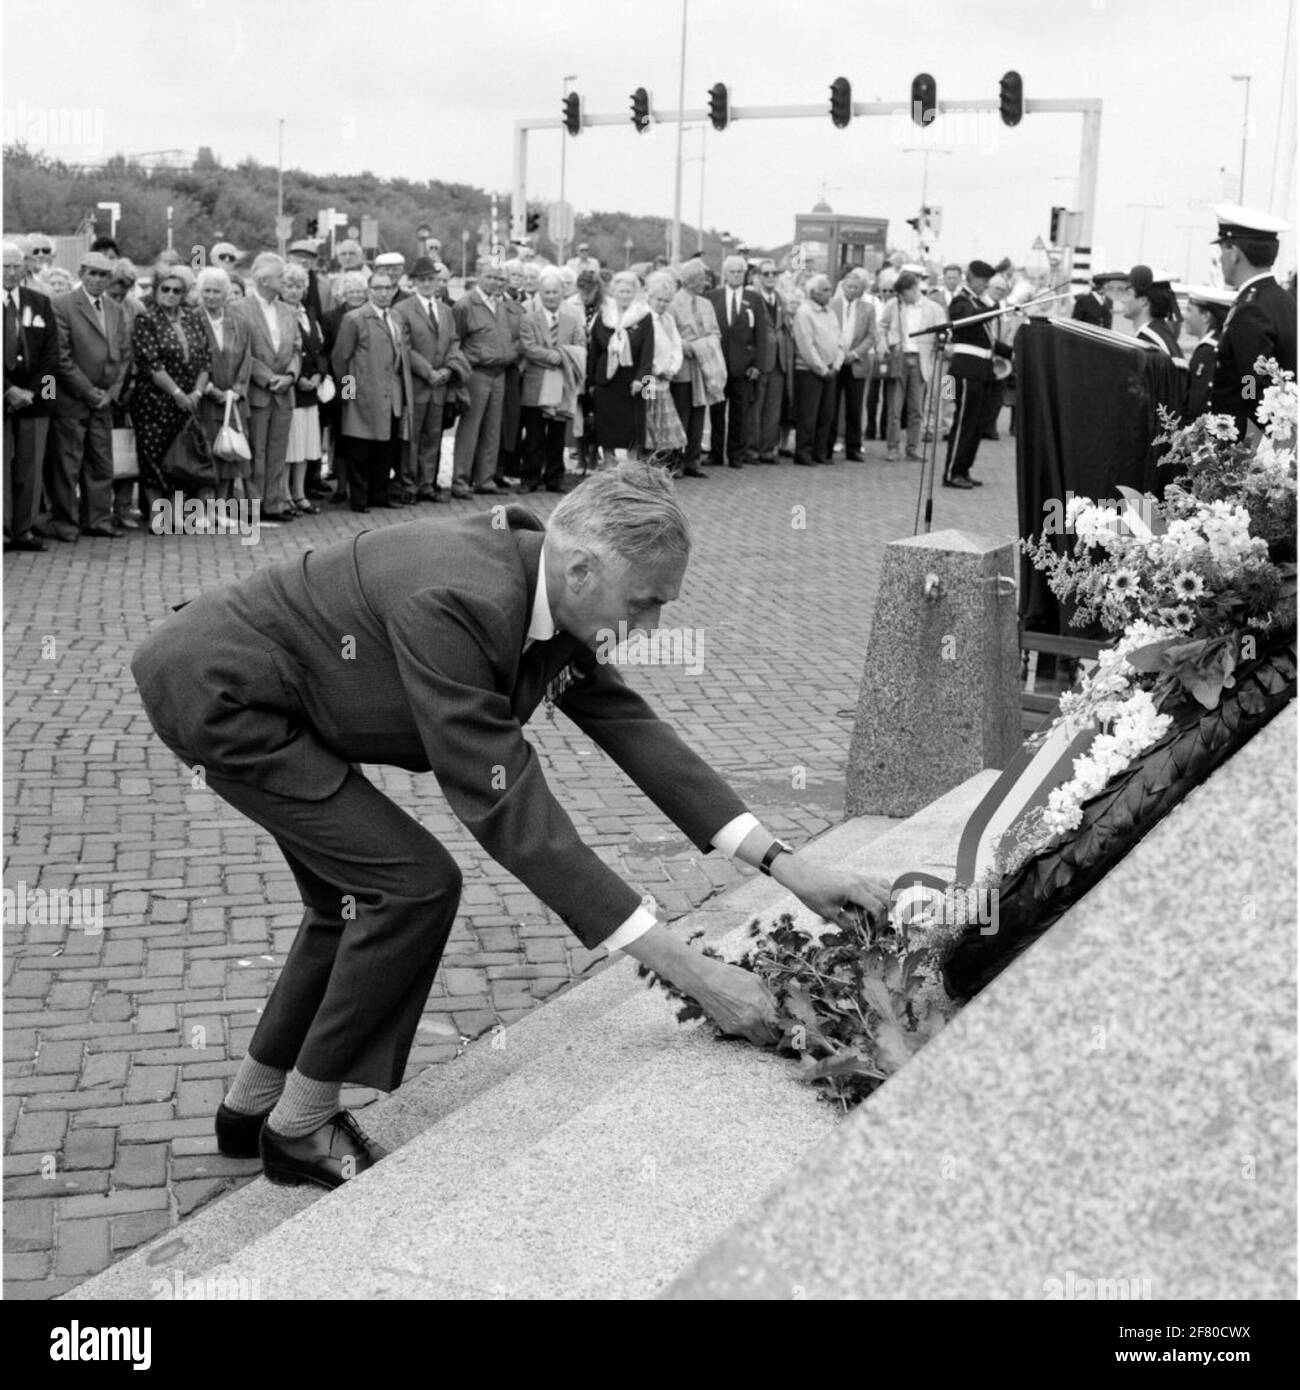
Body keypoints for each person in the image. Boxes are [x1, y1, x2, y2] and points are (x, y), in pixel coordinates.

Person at [130, 463, 889, 1188]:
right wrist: (693, 974)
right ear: (584, 570)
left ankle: (251, 1108)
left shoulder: (553, 585)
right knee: (411, 887)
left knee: (348, 898)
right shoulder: (459, 600)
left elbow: (633, 729)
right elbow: (510, 811)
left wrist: (788, 866)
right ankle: (300, 1129)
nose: (651, 623)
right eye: (647, 601)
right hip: (223, 695)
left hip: (276, 694)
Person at [47, 250, 133, 541]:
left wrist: (111, 392)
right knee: (67, 465)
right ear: (81, 273)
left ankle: (97, 520)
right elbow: (61, 356)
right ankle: (66, 524)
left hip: (105, 401)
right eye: (92, 273)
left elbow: (124, 355)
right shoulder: (62, 305)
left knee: (101, 462)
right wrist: (88, 391)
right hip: (73, 399)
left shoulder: (115, 308)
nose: (97, 279)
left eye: (103, 274)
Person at [130, 262, 213, 522]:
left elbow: (205, 362)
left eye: (177, 290)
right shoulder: (147, 318)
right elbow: (151, 363)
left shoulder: (193, 318)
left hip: (189, 401)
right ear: (156, 290)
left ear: (184, 294)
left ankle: (178, 513)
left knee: (181, 459)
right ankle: (158, 516)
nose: (170, 294)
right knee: (154, 458)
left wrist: (196, 394)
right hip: (155, 401)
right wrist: (177, 392)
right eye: (165, 288)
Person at [330, 268, 413, 513]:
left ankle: (380, 494)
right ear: (369, 291)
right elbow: (340, 358)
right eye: (378, 288)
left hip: (391, 394)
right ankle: (359, 499)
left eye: (388, 288)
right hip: (362, 395)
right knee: (360, 451)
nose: (384, 293)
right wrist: (348, 395)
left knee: (385, 448)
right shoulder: (355, 319)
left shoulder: (396, 318)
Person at [1209, 203, 1297, 434]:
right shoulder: (1284, 300)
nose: (1221, 260)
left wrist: (1245, 422)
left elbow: (1251, 378)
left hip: (1247, 441)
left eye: (1222, 250)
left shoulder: (1252, 308)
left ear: (1235, 253)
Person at [393, 256, 468, 504]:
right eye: (422, 280)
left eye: (431, 279)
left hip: (440, 385)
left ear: (438, 282)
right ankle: (409, 485)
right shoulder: (402, 310)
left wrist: (449, 368)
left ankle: (427, 483)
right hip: (417, 385)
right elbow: (405, 347)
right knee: (411, 438)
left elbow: (454, 342)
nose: (427, 284)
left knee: (433, 436)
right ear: (414, 282)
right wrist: (428, 372)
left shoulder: (446, 311)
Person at [237, 252, 301, 524]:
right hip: (258, 391)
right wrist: (266, 377)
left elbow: (298, 349)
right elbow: (241, 351)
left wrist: (289, 375)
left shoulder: (288, 310)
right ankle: (253, 505)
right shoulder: (240, 309)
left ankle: (273, 503)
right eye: (279, 276)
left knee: (278, 449)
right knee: (256, 450)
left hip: (284, 392)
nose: (284, 280)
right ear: (263, 279)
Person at [3, 240, 57, 552]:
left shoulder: (40, 303)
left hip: (35, 401)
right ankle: (3, 530)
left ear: (25, 266)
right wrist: (8, 389)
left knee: (30, 467)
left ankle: (24, 530)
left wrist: (35, 392)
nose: (11, 272)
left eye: (15, 266)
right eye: (4, 267)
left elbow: (52, 357)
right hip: (5, 394)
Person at [942, 259, 1012, 490]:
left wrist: (1014, 353)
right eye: (983, 282)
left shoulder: (978, 304)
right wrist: (998, 308)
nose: (985, 286)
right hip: (963, 371)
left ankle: (964, 468)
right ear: (971, 279)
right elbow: (971, 319)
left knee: (975, 426)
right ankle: (952, 472)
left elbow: (989, 342)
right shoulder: (961, 302)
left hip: (982, 372)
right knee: (962, 424)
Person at [517, 267, 586, 492]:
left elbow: (581, 347)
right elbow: (529, 349)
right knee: (534, 435)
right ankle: (530, 478)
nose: (550, 296)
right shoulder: (528, 319)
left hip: (562, 385)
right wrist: (556, 356)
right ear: (539, 293)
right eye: (546, 292)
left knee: (557, 435)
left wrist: (562, 356)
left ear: (562, 293)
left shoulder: (572, 320)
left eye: (554, 292)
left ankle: (555, 477)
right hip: (536, 385)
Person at [451, 261, 516, 497]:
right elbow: (455, 341)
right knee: (470, 427)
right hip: (476, 373)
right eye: (491, 277)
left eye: (501, 279)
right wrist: (461, 372)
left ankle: (485, 479)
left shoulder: (500, 305)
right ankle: (460, 480)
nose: (496, 282)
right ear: (479, 276)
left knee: (492, 429)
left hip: (499, 373)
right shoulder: (465, 305)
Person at [196, 265, 253, 517]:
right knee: (205, 453)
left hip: (232, 402)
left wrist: (236, 391)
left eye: (216, 291)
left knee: (229, 457)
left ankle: (221, 510)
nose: (211, 296)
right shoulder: (192, 319)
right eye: (206, 290)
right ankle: (203, 510)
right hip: (204, 400)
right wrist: (207, 388)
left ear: (226, 293)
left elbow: (247, 359)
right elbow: (190, 360)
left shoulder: (240, 323)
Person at [877, 270, 947, 461]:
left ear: (913, 289)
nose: (900, 298)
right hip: (898, 357)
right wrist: (885, 344)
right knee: (894, 407)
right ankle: (892, 447)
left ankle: (913, 447)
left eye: (903, 294)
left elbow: (943, 332)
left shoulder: (934, 309)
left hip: (920, 360)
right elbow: (881, 326)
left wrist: (940, 346)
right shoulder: (894, 305)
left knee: (916, 408)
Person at [707, 255, 769, 468]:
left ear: (746, 274)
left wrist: (757, 365)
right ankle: (715, 454)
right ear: (724, 274)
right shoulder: (712, 297)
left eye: (740, 272)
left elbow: (761, 334)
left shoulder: (754, 299)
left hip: (743, 367)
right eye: (732, 271)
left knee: (739, 414)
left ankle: (736, 454)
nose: (736, 275)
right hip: (718, 366)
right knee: (716, 412)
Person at [589, 269, 653, 465]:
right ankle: (608, 463)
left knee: (633, 427)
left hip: (632, 381)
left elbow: (647, 353)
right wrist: (591, 381)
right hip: (606, 380)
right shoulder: (604, 315)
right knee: (607, 426)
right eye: (621, 291)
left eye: (628, 292)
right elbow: (595, 350)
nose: (624, 296)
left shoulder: (644, 316)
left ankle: (632, 465)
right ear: (613, 292)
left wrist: (640, 381)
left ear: (635, 293)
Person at [280, 261, 328, 514]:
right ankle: (285, 493)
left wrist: (319, 374)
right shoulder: (279, 313)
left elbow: (319, 347)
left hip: (312, 390)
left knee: (307, 446)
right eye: (288, 285)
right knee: (290, 446)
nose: (293, 291)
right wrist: (297, 377)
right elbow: (284, 352)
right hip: (292, 388)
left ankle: (300, 492)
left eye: (298, 286)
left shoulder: (309, 313)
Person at [668, 260, 722, 480]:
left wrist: (705, 345)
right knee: (681, 415)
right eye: (701, 278)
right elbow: (669, 336)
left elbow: (716, 333)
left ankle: (693, 460)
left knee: (699, 414)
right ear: (689, 281)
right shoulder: (672, 303)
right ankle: (675, 461)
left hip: (703, 368)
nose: (706, 283)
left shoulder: (706, 304)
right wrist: (688, 346)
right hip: (682, 368)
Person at [320, 272, 370, 506]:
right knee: (343, 432)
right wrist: (343, 385)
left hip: (369, 382)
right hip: (345, 381)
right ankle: (341, 486)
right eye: (351, 291)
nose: (356, 296)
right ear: (343, 294)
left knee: (363, 434)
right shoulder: (331, 318)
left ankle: (362, 484)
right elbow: (331, 352)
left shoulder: (372, 314)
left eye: (360, 291)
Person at [790, 274, 842, 466]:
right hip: (810, 371)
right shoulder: (804, 313)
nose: (830, 293)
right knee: (808, 416)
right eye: (826, 290)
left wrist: (835, 364)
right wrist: (821, 368)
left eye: (830, 289)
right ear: (813, 292)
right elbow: (806, 345)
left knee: (825, 414)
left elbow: (839, 340)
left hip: (830, 369)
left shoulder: (829, 312)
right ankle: (803, 452)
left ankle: (820, 452)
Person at [829, 269, 876, 461]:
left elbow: (872, 335)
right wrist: (838, 353)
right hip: (835, 362)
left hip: (856, 362)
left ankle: (854, 447)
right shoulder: (832, 305)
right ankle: (828, 444)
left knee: (854, 407)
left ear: (861, 290)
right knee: (831, 406)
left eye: (856, 287)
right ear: (843, 287)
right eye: (848, 286)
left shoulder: (868, 308)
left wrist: (856, 353)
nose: (851, 290)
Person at [641, 270, 686, 465]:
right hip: (648, 379)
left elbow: (677, 346)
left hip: (664, 380)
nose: (662, 304)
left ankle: (659, 461)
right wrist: (656, 369)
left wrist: (672, 369)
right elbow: (643, 349)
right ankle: (643, 461)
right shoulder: (644, 318)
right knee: (647, 418)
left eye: (666, 301)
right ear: (649, 297)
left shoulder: (668, 319)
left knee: (662, 422)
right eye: (658, 300)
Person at [751, 259, 792, 464]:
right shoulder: (753, 298)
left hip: (779, 361)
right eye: (766, 274)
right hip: (761, 359)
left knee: (774, 408)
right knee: (756, 406)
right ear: (758, 276)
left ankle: (768, 448)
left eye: (773, 274)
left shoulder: (780, 298)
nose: (770, 277)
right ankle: (752, 448)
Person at [1181, 285, 1232, 417]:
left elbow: (1198, 405)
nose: (1184, 316)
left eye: (1189, 310)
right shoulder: (1218, 345)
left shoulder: (1209, 352)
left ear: (1206, 316)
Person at [1123, 265, 1183, 358]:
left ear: (1143, 300)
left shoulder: (1148, 343)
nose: (1123, 300)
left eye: (1128, 294)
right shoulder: (1161, 335)